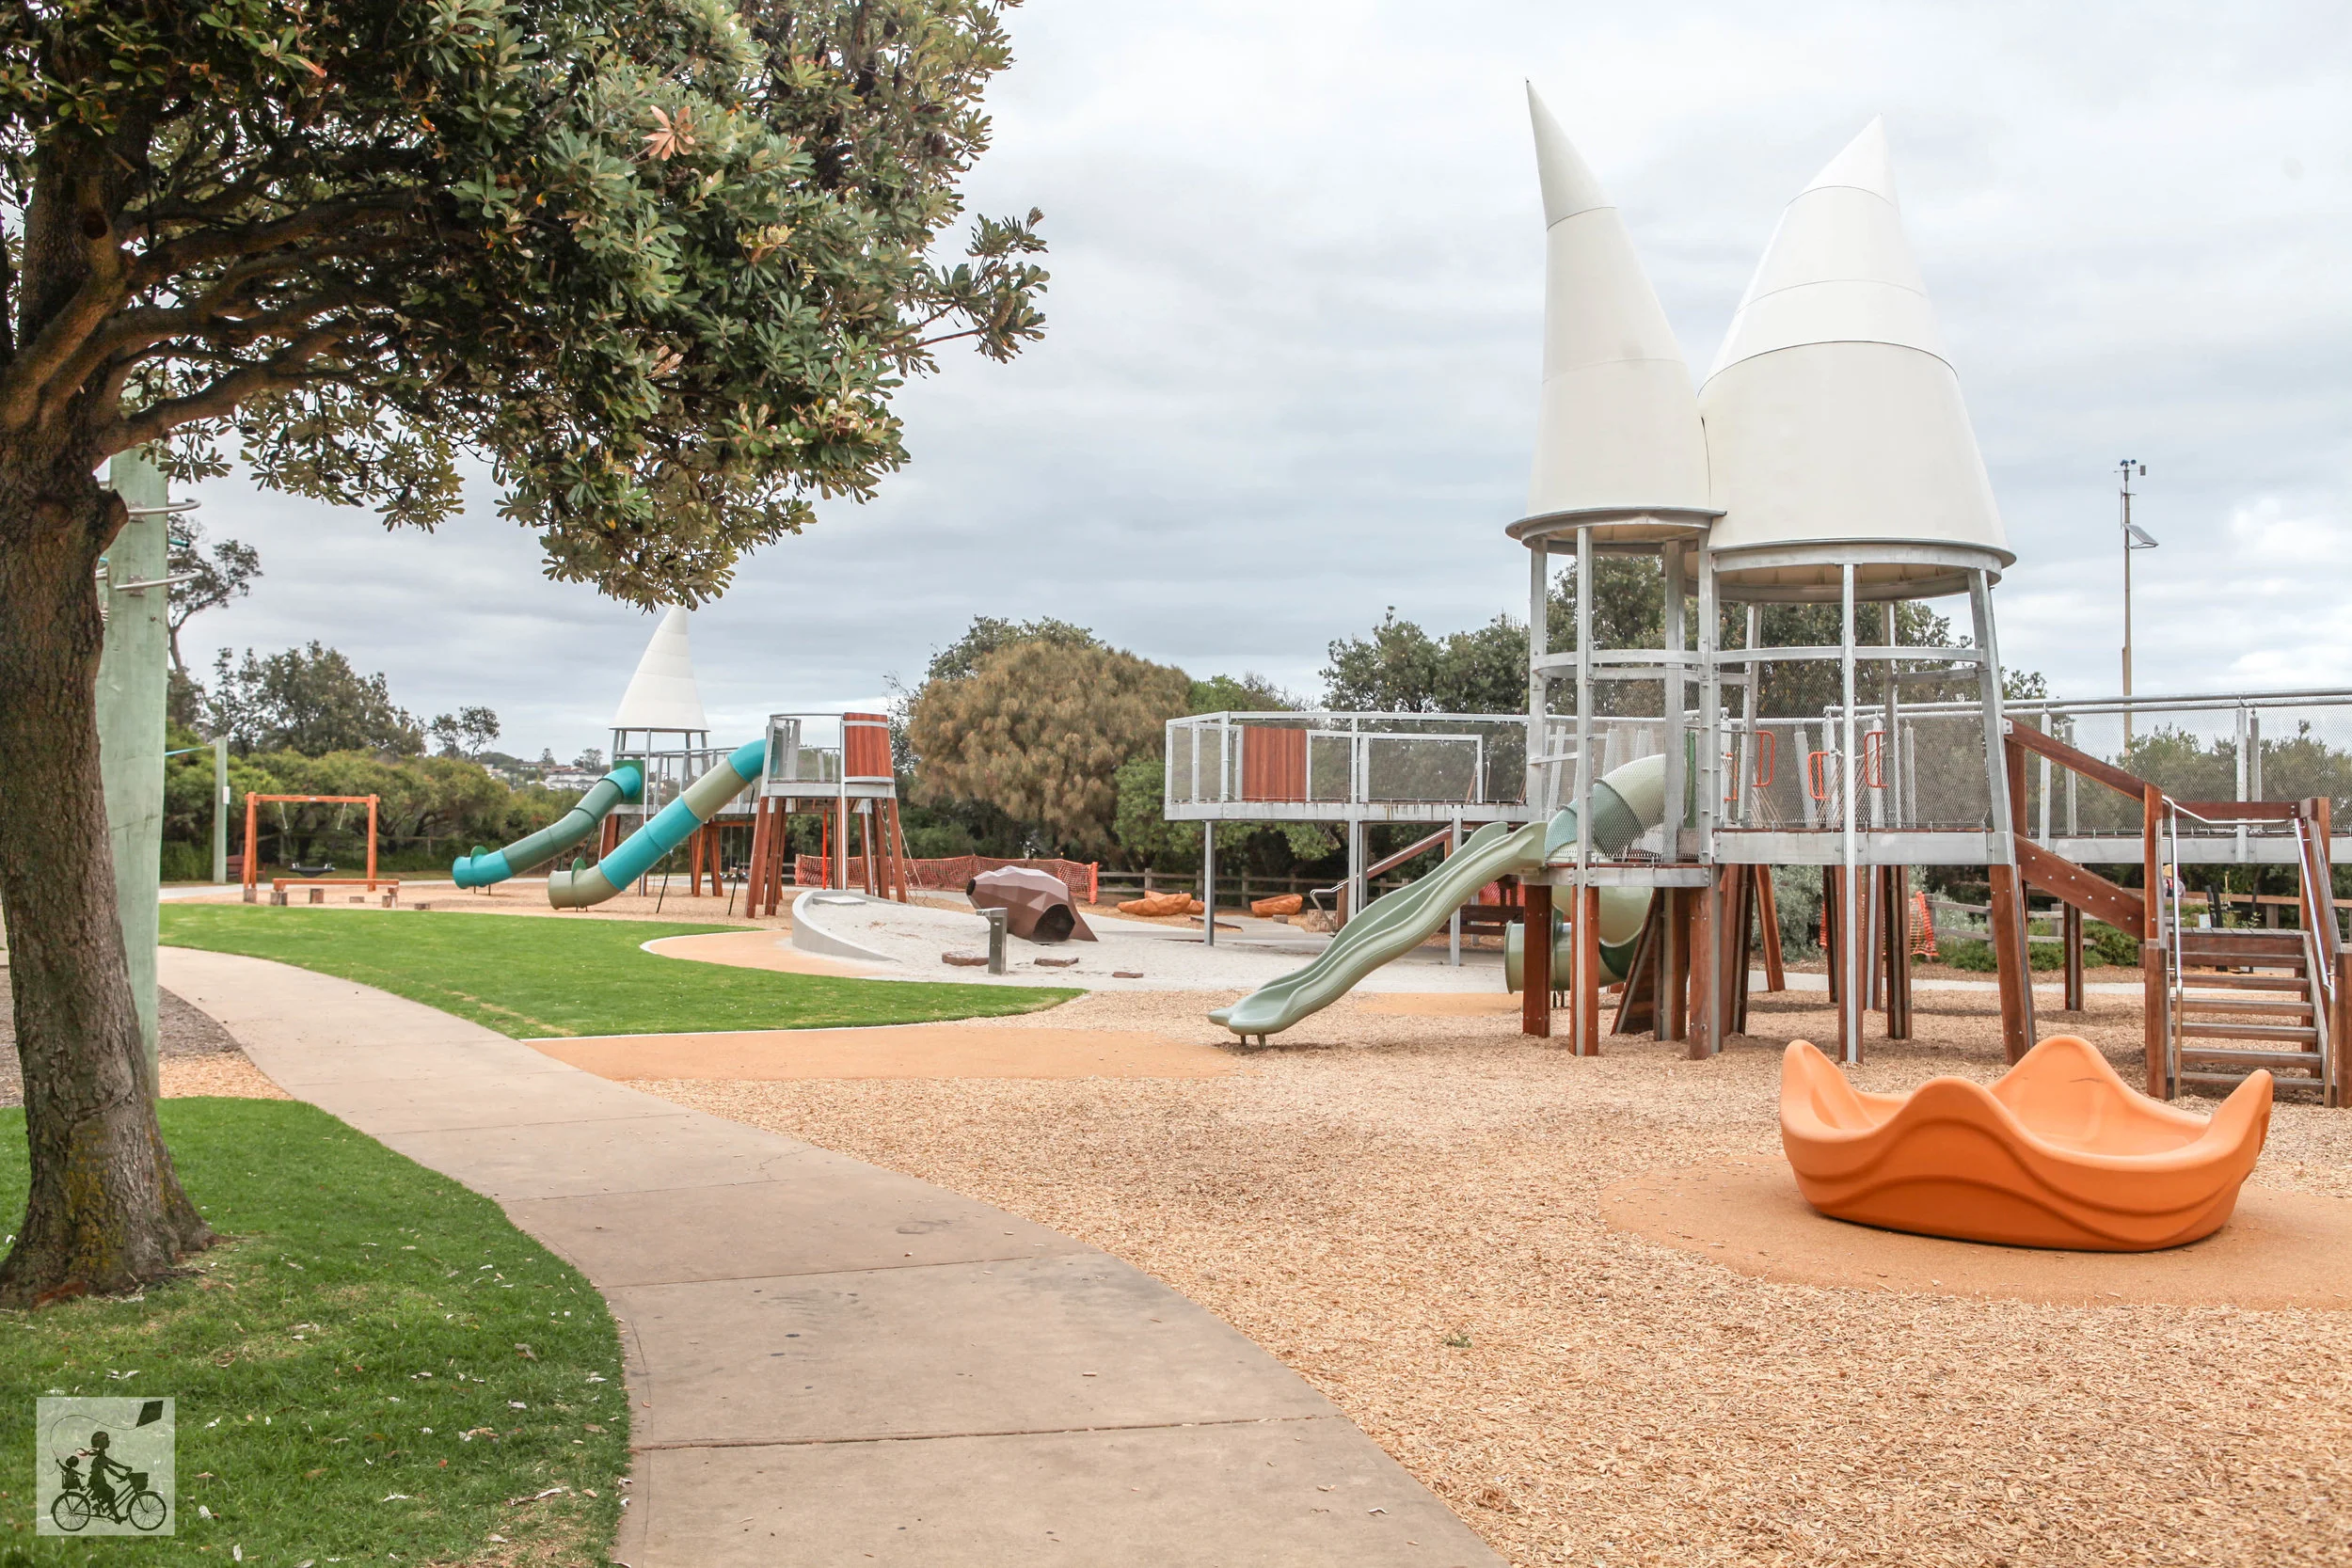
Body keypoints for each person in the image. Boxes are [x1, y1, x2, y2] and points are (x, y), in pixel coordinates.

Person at [82, 1431, 134, 1514]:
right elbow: (111, 1463)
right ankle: (99, 1506)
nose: (109, 1441)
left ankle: (116, 1517)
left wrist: (119, 1476)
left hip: (99, 1480)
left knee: (110, 1495)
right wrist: (124, 1468)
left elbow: (109, 1468)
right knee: (111, 1492)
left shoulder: (101, 1455)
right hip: (97, 1481)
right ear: (100, 1442)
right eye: (106, 1439)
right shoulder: (100, 1456)